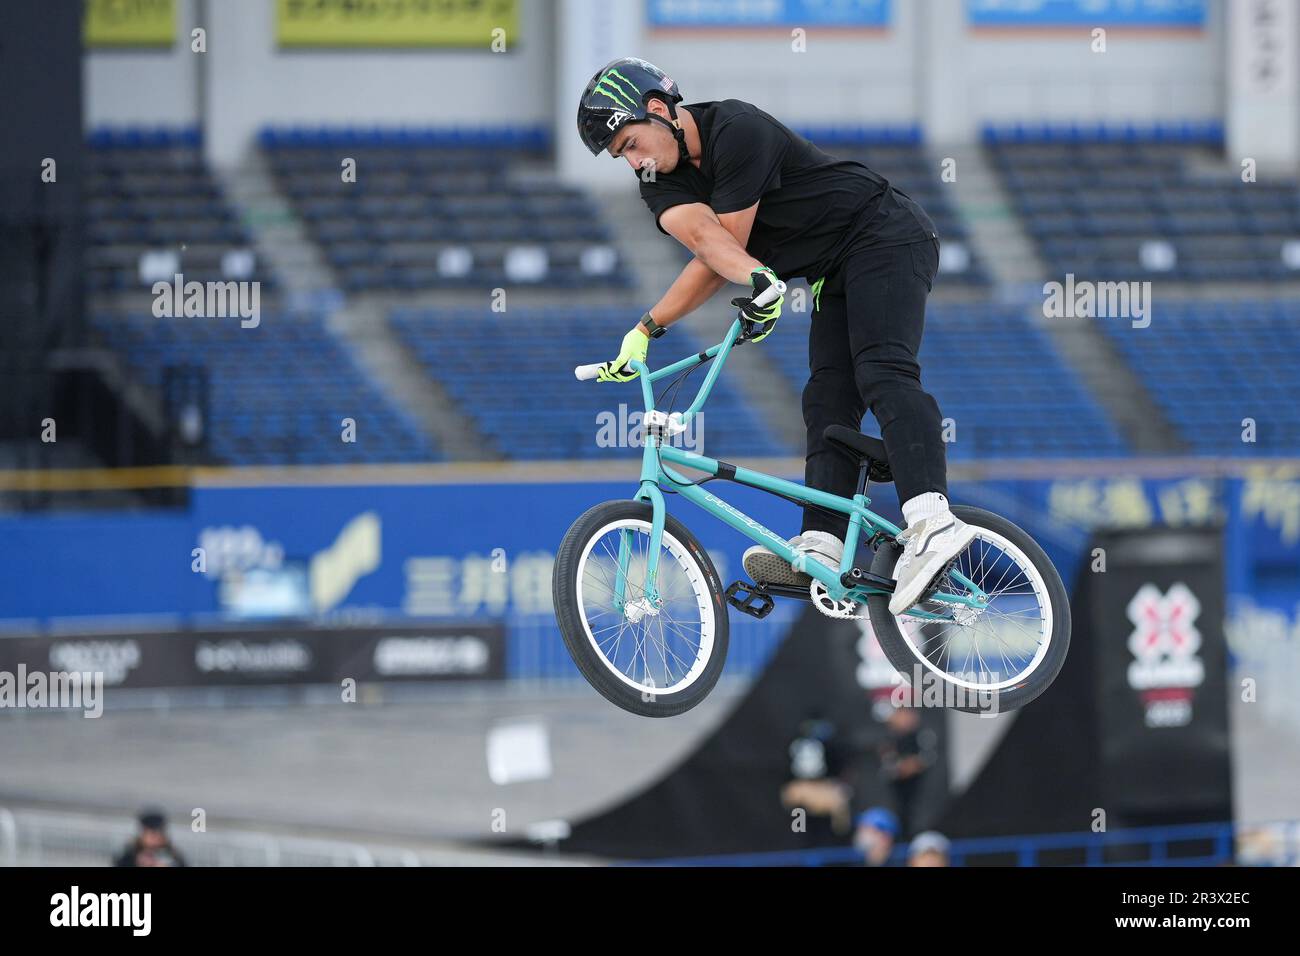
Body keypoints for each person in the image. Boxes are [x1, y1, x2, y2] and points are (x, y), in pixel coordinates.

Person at [577, 57, 974, 615]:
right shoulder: (657, 183)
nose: (635, 161)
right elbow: (703, 241)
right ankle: (823, 544)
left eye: (632, 143)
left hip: (885, 234)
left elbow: (727, 246)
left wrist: (744, 283)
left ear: (660, 110)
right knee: (826, 398)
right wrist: (646, 329)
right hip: (827, 269)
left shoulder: (738, 128)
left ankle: (933, 521)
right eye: (622, 157)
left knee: (881, 368)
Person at [113, 807, 187, 867]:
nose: (155, 839)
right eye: (151, 835)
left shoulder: (173, 855)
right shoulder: (130, 855)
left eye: (158, 834)